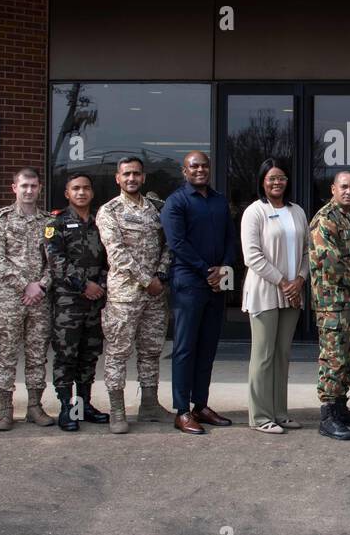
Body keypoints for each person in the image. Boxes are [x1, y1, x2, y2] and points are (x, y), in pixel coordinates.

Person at [162, 150, 239, 435]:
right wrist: (207, 270)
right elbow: (177, 243)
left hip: (216, 285)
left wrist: (225, 267)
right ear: (184, 171)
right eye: (194, 166)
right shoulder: (176, 202)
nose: (200, 170)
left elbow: (230, 238)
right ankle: (182, 411)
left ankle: (200, 405)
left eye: (204, 166)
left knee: (207, 348)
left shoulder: (219, 201)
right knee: (185, 349)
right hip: (189, 285)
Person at [97, 157, 173, 434]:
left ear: (144, 177)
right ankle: (117, 411)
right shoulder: (109, 211)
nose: (132, 178)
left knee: (151, 351)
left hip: (155, 295)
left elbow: (169, 244)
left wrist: (161, 275)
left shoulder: (158, 209)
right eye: (127, 174)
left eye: (137, 174)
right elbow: (115, 253)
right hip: (124, 296)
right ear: (118, 178)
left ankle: (150, 404)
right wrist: (146, 280)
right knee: (117, 353)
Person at [241, 159, 308, 434]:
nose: (276, 182)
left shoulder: (298, 212)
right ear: (262, 182)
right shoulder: (254, 212)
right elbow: (252, 256)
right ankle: (260, 416)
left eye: (281, 178)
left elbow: (307, 252)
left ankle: (280, 412)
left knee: (282, 354)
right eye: (271, 178)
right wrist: (283, 282)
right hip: (266, 292)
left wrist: (300, 280)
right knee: (263, 355)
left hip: (293, 293)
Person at [0, 167, 55, 432]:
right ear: (14, 187)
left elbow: (55, 260)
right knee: (6, 355)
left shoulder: (49, 223)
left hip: (39, 300)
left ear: (39, 188)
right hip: (9, 300)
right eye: (24, 185)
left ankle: (35, 407)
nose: (29, 190)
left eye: (33, 186)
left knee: (37, 355)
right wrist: (25, 285)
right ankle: (5, 410)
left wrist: (41, 286)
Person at [309, 170, 350, 440]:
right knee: (333, 359)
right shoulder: (325, 220)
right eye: (344, 187)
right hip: (333, 305)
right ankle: (327, 416)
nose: (349, 191)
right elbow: (331, 261)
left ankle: (340, 407)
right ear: (333, 189)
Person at [45, 172, 110, 432]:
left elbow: (109, 260)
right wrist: (84, 286)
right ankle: (65, 408)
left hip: (95, 303)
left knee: (89, 355)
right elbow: (55, 260)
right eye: (76, 189)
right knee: (66, 357)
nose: (81, 193)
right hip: (68, 303)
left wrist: (100, 285)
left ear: (92, 193)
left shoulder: (99, 223)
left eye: (86, 188)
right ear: (67, 193)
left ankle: (83, 406)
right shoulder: (57, 223)